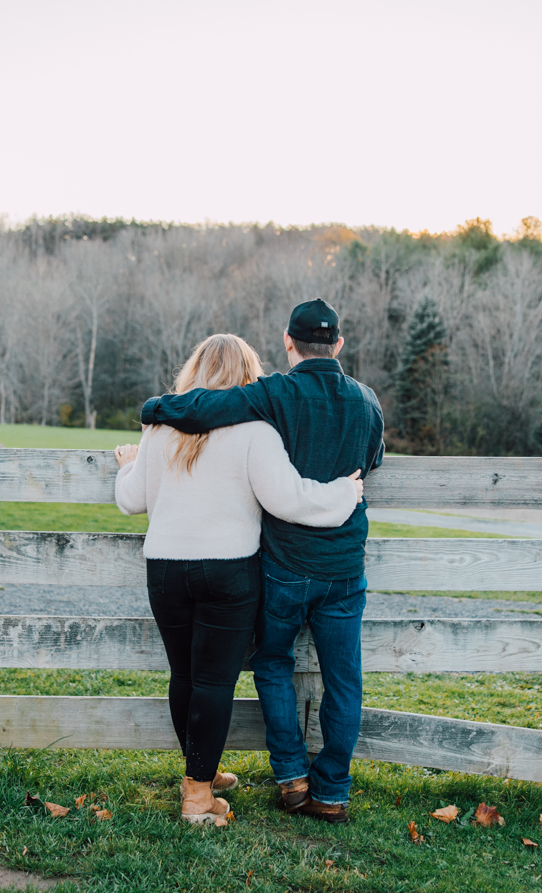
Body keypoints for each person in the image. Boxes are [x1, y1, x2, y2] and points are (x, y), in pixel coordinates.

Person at [140, 299, 384, 824]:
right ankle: (332, 791)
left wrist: (155, 409)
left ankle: (291, 777)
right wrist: (346, 488)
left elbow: (204, 410)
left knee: (271, 663)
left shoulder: (272, 395)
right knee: (344, 678)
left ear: (287, 343)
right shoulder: (366, 401)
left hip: (286, 566)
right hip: (343, 566)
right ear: (339, 345)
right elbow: (372, 460)